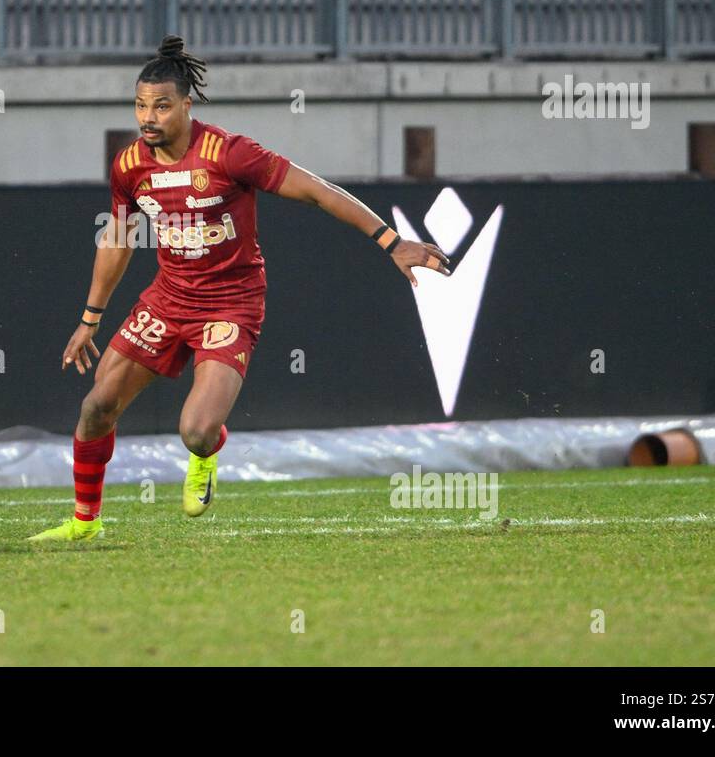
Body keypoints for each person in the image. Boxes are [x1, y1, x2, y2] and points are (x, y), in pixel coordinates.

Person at [29, 36, 451, 541]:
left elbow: (317, 191)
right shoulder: (129, 166)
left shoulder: (230, 154)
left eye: (161, 106)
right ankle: (84, 523)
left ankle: (206, 456)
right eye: (141, 105)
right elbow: (118, 238)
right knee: (97, 406)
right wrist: (89, 318)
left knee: (196, 431)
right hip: (168, 298)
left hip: (230, 304)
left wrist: (391, 240)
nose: (149, 117)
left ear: (187, 105)